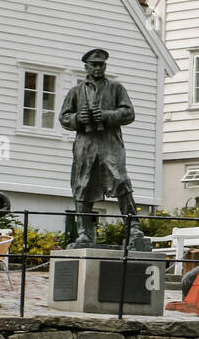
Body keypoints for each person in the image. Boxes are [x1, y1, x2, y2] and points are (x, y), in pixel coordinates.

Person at [58, 47, 143, 248]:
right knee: (82, 185)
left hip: (109, 142)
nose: (98, 68)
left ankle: (134, 229)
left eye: (101, 64)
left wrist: (106, 115)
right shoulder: (76, 92)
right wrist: (78, 118)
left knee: (120, 180)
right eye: (94, 64)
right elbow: (64, 117)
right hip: (85, 145)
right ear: (86, 66)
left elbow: (128, 113)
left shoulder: (115, 88)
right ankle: (84, 233)